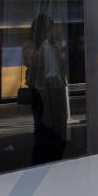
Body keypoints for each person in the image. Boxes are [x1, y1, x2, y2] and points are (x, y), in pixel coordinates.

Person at [22, 14, 67, 164]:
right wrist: (45, 44)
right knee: (43, 127)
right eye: (48, 29)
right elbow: (33, 61)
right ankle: (41, 159)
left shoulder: (53, 44)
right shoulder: (29, 45)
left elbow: (61, 65)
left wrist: (55, 48)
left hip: (56, 90)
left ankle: (57, 153)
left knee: (59, 126)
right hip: (40, 93)